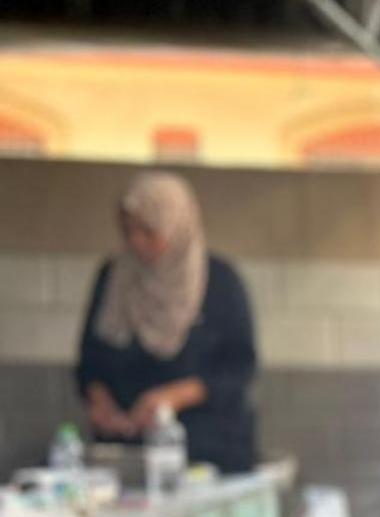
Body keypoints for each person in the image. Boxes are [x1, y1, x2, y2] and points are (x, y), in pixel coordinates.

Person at [76, 172, 258, 475]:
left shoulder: (218, 281)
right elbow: (90, 361)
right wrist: (101, 403)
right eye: (129, 231)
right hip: (127, 452)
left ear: (176, 227)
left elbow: (239, 368)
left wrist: (170, 399)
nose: (137, 242)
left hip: (208, 452)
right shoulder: (113, 278)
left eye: (149, 232)